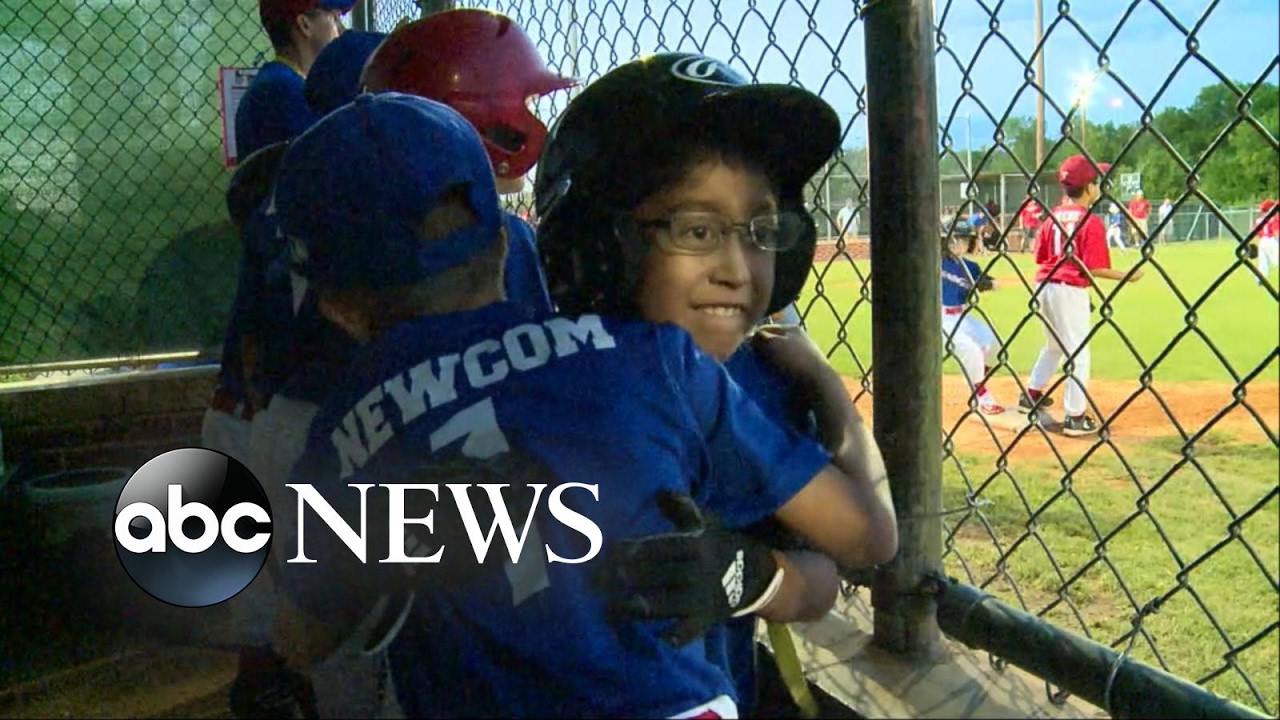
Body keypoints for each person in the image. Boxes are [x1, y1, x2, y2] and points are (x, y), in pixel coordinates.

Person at [272, 87, 895, 718]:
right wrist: (825, 388)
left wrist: (385, 547)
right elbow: (869, 536)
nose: (733, 267)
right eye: (694, 229)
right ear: (506, 246)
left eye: (757, 230)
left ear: (335, 308)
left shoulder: (344, 427)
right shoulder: (654, 363)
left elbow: (299, 641)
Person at [360, 8, 578, 312]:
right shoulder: (506, 238)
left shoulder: (367, 230)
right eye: (528, 103)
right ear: (480, 115)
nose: (535, 118)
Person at [1021, 155, 1144, 436]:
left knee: (1053, 344)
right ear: (1089, 188)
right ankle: (1075, 417)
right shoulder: (1090, 221)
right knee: (1078, 353)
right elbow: (1095, 266)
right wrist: (1128, 275)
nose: (1099, 186)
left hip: (1043, 285)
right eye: (1096, 181)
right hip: (1068, 288)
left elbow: (1040, 256)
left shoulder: (1051, 215)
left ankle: (1031, 393)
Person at [234, 0, 352, 161]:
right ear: (305, 25)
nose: (342, 29)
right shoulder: (282, 90)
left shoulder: (278, 83)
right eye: (334, 17)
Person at [941, 235, 1004, 415]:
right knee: (971, 350)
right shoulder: (934, 262)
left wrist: (988, 284)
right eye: (959, 239)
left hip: (962, 315)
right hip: (940, 318)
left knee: (994, 341)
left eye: (966, 240)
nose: (962, 243)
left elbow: (995, 283)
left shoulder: (970, 266)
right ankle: (981, 395)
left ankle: (977, 374)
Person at [1254, 198, 1279, 281]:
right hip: (1271, 240)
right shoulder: (1274, 218)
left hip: (1262, 241)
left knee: (1263, 262)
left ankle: (1260, 279)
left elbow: (1256, 232)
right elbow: (1276, 232)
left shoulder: (1258, 219)